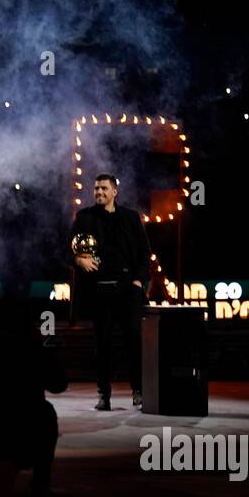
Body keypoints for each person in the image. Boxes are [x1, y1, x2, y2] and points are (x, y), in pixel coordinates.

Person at [0, 296, 68, 497]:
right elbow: (59, 384)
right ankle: (40, 482)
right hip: (23, 430)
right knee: (46, 413)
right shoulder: (30, 350)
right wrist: (45, 351)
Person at [70, 173, 150, 410]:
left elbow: (145, 254)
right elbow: (66, 249)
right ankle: (103, 395)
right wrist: (78, 260)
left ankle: (139, 391)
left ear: (115, 191)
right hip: (99, 291)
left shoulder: (131, 218)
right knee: (102, 344)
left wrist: (138, 282)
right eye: (96, 189)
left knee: (134, 341)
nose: (99, 193)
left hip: (127, 291)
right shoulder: (84, 217)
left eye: (104, 188)